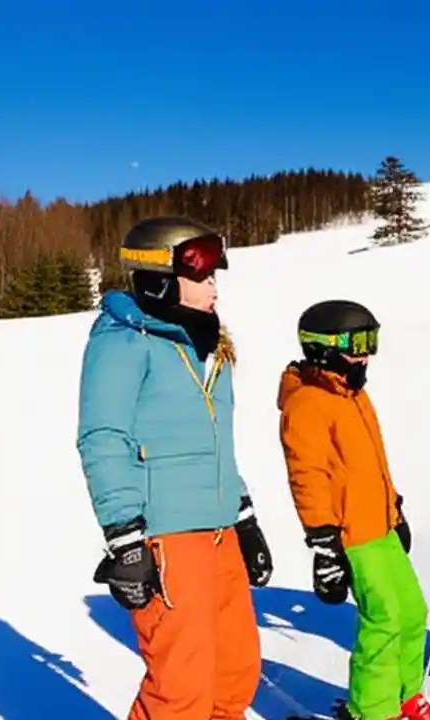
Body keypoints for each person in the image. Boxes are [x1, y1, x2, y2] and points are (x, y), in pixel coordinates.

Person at [77, 216, 273, 720]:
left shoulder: (209, 348)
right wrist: (124, 540)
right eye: (203, 278)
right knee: (179, 689)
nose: (214, 289)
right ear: (159, 280)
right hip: (166, 539)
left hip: (219, 531)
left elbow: (215, 448)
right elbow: (103, 439)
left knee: (235, 673)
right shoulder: (123, 342)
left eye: (215, 278)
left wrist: (244, 516)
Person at [277, 299, 430, 720]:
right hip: (351, 533)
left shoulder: (353, 395)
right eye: (358, 343)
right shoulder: (308, 403)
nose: (366, 354)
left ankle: (405, 696)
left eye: (372, 341)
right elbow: (307, 474)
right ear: (324, 348)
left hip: (380, 525)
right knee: (382, 619)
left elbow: (372, 463)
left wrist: (395, 508)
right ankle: (371, 709)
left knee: (412, 611)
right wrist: (323, 539)